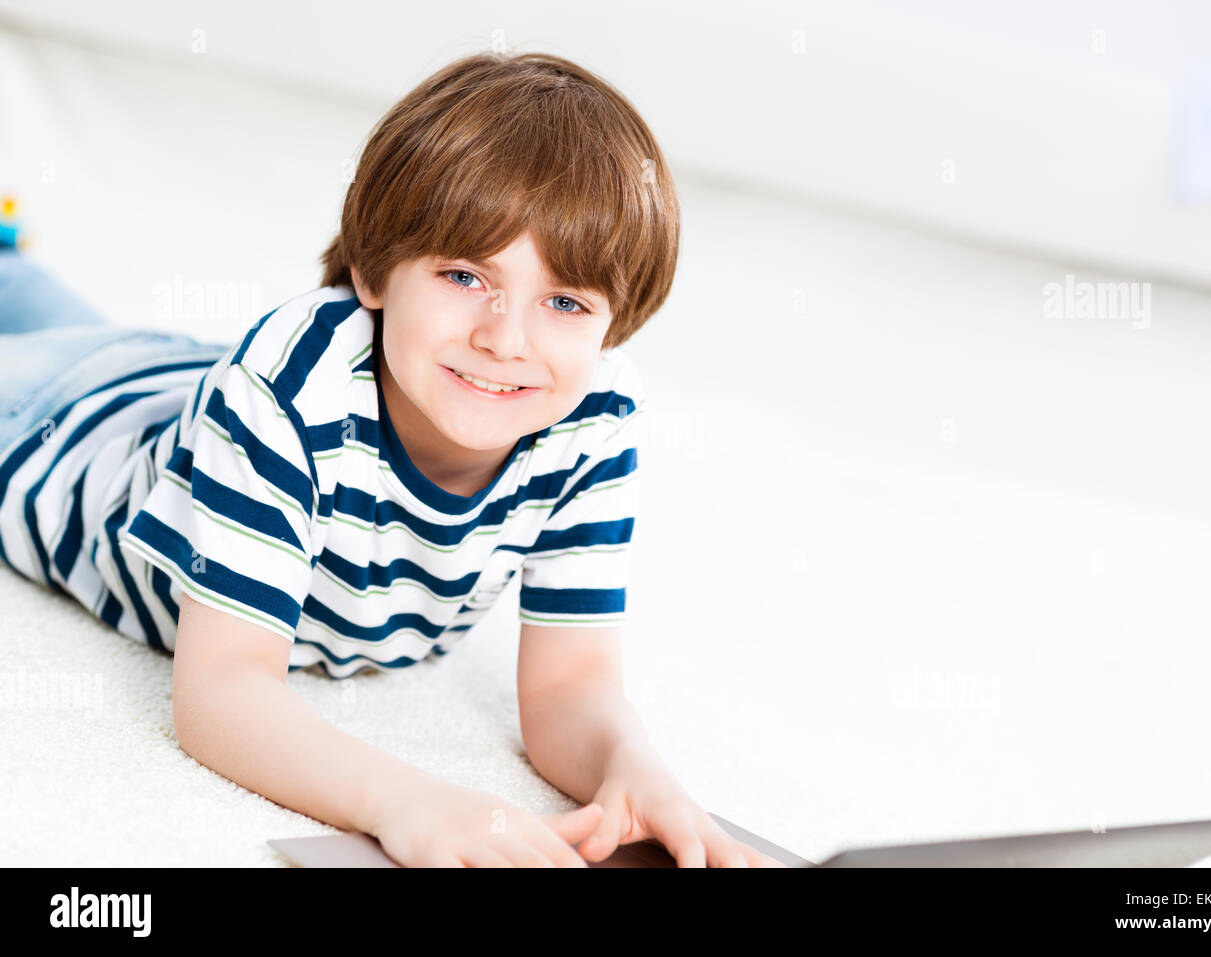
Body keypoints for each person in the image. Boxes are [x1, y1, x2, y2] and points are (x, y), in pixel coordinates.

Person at [0, 51, 783, 868]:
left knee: (48, 303)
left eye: (563, 301)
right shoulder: (289, 385)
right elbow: (220, 691)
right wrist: (404, 799)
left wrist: (636, 768)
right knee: (63, 350)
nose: (504, 339)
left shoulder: (596, 414)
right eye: (461, 274)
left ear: (612, 325)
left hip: (180, 375)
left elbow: (568, 689)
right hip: (56, 425)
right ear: (373, 271)